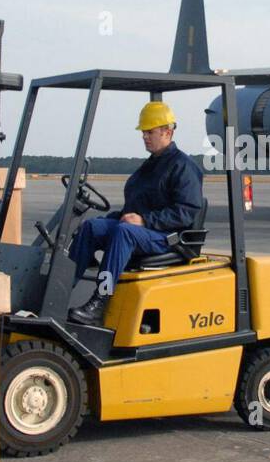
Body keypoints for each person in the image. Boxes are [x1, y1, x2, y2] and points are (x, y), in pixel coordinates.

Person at [67, 101, 204, 326]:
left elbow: (186, 212)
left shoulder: (183, 166)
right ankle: (59, 290)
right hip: (143, 230)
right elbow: (136, 204)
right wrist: (119, 216)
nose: (145, 137)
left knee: (124, 233)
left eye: (150, 132)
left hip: (167, 237)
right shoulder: (150, 166)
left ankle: (100, 301)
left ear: (167, 132)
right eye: (143, 132)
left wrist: (144, 219)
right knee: (92, 227)